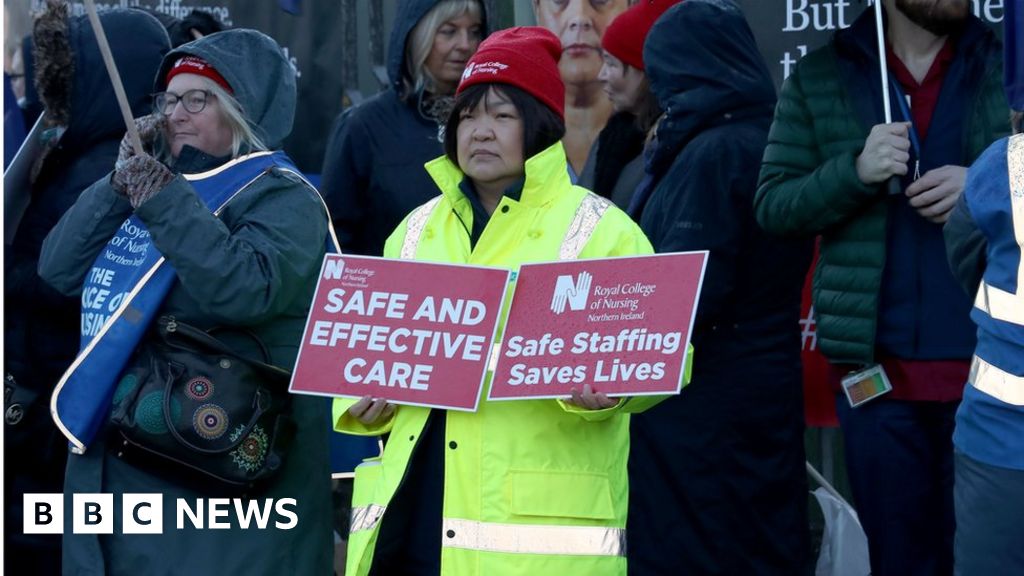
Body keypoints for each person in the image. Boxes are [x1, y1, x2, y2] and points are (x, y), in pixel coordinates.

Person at [334, 26, 663, 576]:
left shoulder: (603, 230)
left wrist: (616, 393)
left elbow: (663, 353)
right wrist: (360, 399)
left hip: (535, 539)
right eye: (467, 116)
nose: (480, 132)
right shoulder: (414, 231)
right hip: (414, 518)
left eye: (502, 116)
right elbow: (360, 348)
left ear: (540, 129)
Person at [38, 29, 333, 574]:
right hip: (127, 449)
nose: (176, 113)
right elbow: (58, 268)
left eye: (198, 99)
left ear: (244, 109)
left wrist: (162, 198)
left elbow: (247, 289)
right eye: (169, 99)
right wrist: (120, 180)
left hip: (221, 476)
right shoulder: (157, 182)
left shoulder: (282, 194)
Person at [754, 1, 1009, 574]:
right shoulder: (823, 75)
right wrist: (854, 170)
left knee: (991, 559)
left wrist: (985, 184)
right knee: (899, 559)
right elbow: (773, 205)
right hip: (874, 380)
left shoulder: (1004, 65)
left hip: (993, 373)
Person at [625, 2, 812, 574]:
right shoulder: (765, 138)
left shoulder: (713, 153)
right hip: (758, 390)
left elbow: (684, 292)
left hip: (703, 404)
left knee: (703, 545)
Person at [4, 6, 169, 574]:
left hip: (57, 396)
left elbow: (63, 285)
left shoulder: (109, 168)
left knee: (43, 544)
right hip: (60, 397)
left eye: (69, 75)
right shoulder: (86, 153)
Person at [320, 0, 486, 256]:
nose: (465, 44)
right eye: (449, 31)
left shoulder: (493, 121)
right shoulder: (364, 126)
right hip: (388, 292)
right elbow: (334, 238)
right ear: (418, 34)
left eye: (474, 31)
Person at [578, 0, 675, 209]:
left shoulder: (669, 149)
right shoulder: (613, 137)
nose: (601, 75)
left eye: (611, 63)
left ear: (645, 72)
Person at [532, 0, 630, 176]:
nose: (579, 18)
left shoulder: (661, 135)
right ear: (537, 9)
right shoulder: (513, 136)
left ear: (632, 6)